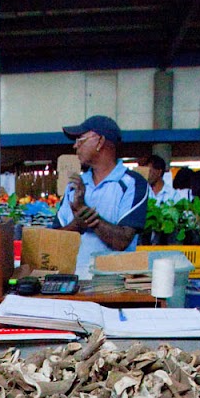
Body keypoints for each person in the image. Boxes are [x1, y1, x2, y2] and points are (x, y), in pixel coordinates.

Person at [57, 114, 149, 278]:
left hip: (115, 287)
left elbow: (122, 241)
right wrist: (78, 224)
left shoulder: (133, 184)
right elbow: (55, 241)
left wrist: (86, 213)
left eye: (81, 139)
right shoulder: (74, 186)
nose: (75, 146)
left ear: (100, 142)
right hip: (74, 284)